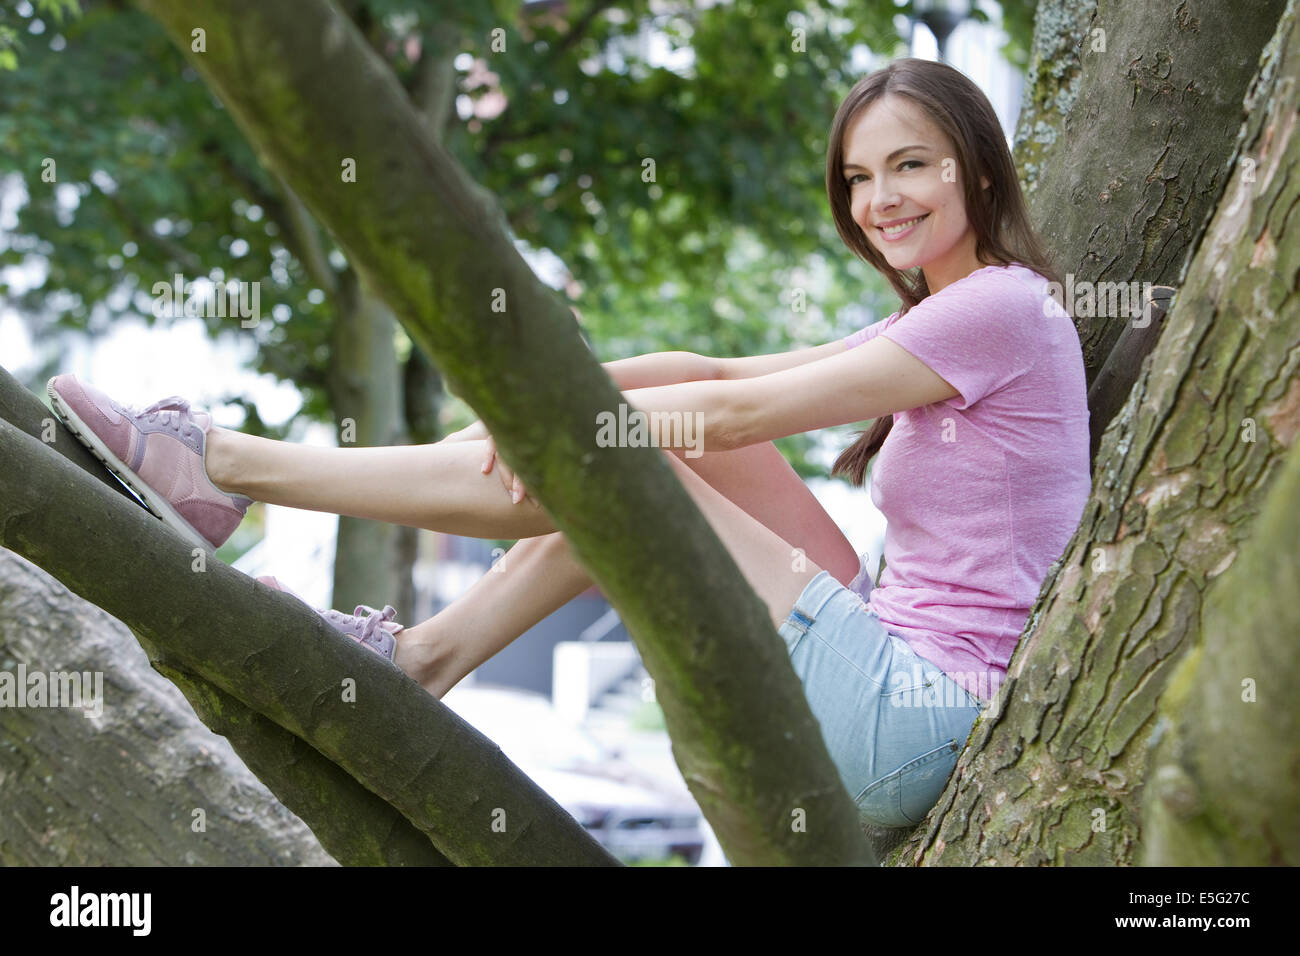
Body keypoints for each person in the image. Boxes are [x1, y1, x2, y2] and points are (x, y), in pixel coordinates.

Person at [47, 57, 1090, 830]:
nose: (878, 201)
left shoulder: (995, 308)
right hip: (892, 672)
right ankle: (416, 658)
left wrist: (568, 431)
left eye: (908, 165)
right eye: (859, 178)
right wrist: (531, 405)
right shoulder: (956, 310)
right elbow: (718, 375)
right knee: (639, 471)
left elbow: (726, 417)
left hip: (911, 722)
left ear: (977, 168)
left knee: (636, 473)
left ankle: (224, 464)